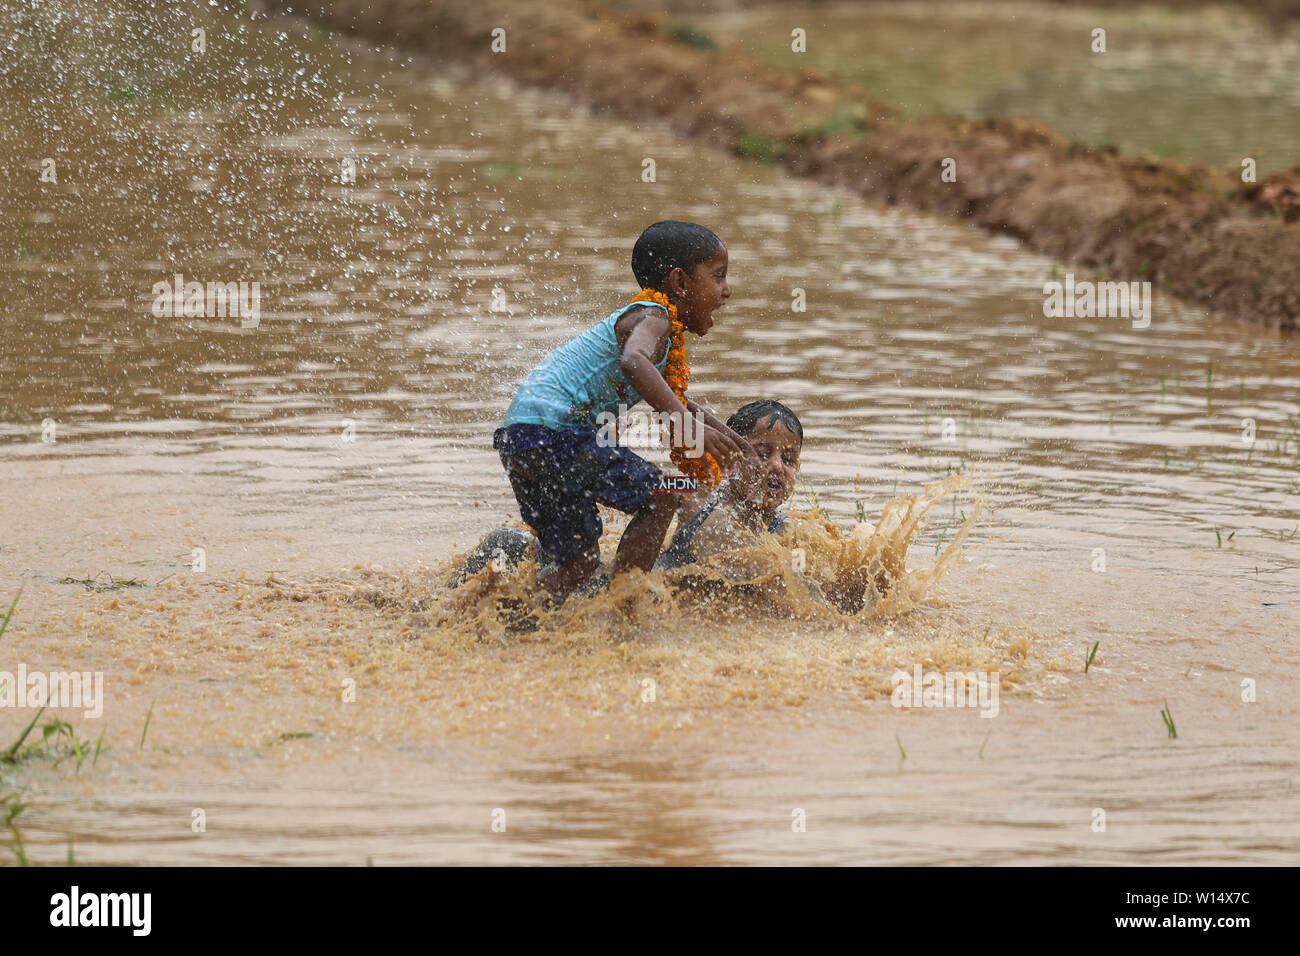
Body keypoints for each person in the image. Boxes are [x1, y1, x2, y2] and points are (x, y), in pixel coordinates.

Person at [490, 221, 751, 601]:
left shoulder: (654, 329)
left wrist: (735, 443)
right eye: (718, 276)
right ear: (679, 283)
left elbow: (679, 401)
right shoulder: (655, 317)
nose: (726, 291)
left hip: (522, 439)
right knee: (664, 494)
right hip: (555, 433)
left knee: (578, 562)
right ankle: (624, 610)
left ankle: (504, 616)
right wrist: (690, 429)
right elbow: (633, 363)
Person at [457, 400, 802, 585]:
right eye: (762, 452)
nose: (776, 467)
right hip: (613, 590)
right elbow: (673, 410)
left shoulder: (784, 532)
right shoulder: (700, 493)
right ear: (731, 454)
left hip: (646, 606)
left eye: (789, 459)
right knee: (508, 543)